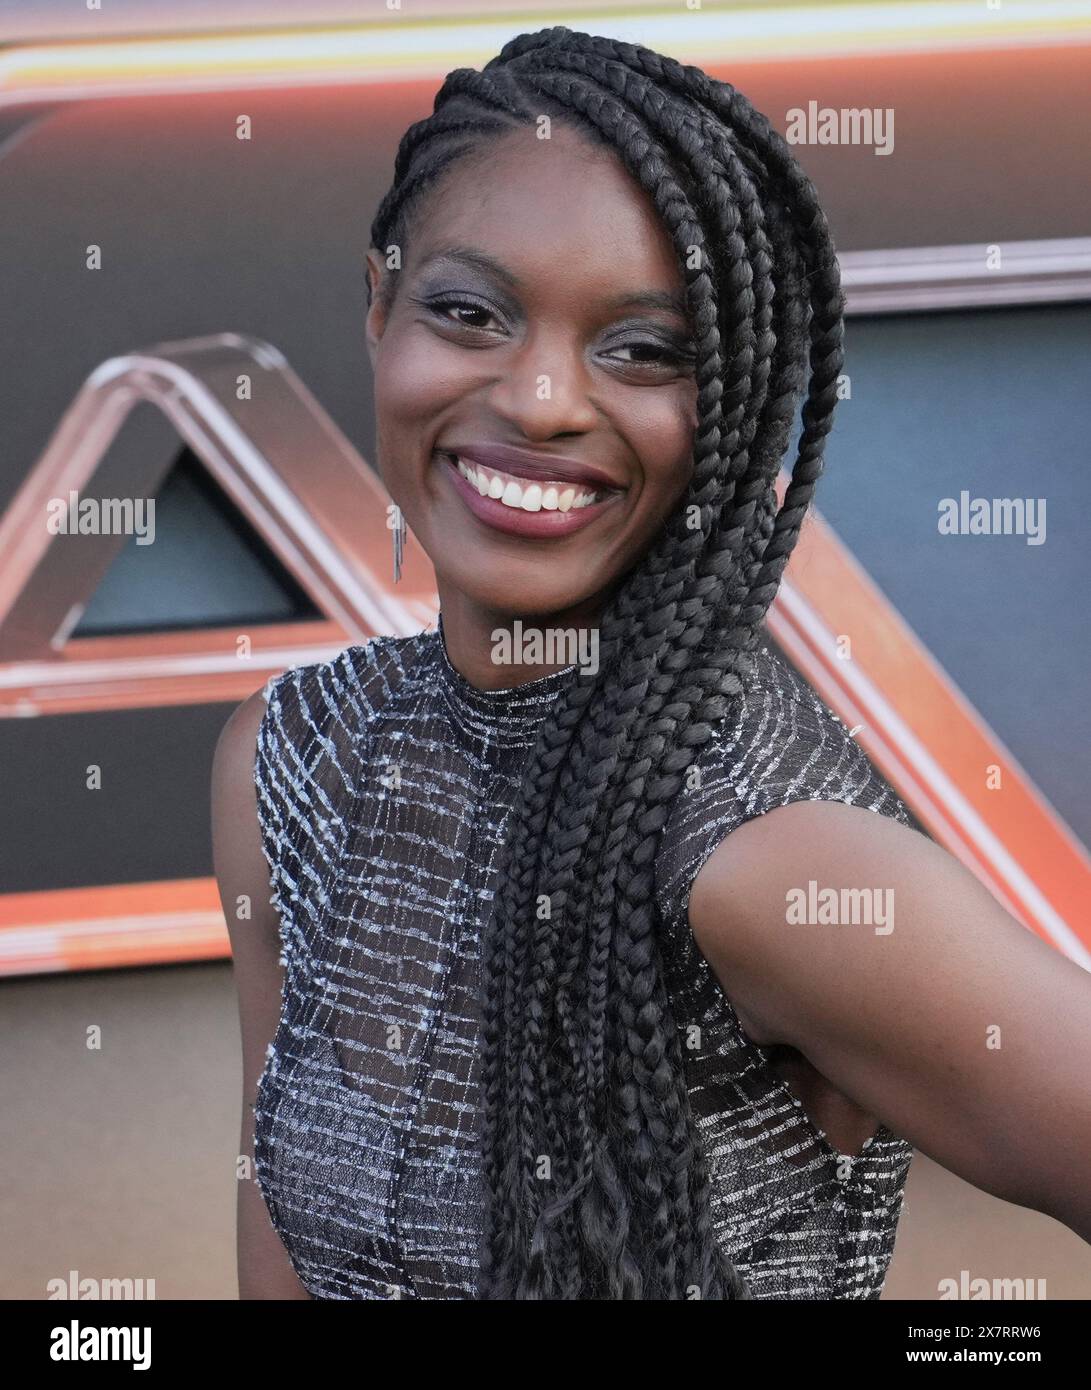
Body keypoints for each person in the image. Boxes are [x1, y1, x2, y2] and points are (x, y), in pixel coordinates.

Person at [211, 27, 1091, 1300]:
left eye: (642, 350)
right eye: (468, 312)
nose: (542, 400)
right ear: (378, 307)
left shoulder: (774, 859)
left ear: (728, 401)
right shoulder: (289, 760)